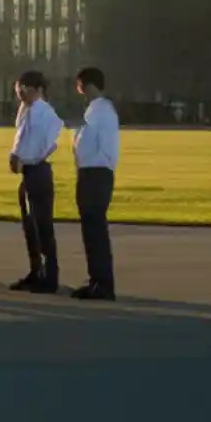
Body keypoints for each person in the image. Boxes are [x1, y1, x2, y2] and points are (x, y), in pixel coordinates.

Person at [8, 70, 63, 294]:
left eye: (25, 89)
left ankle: (49, 276)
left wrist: (19, 157)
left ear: (37, 89)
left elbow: (38, 144)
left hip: (37, 170)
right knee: (31, 227)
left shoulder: (42, 112)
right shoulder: (28, 110)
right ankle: (36, 270)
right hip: (29, 171)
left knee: (42, 226)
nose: (21, 94)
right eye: (18, 90)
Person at [71, 66, 120, 301]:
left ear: (87, 85)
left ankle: (103, 283)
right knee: (91, 231)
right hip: (90, 173)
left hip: (96, 174)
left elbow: (100, 147)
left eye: (79, 85)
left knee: (96, 231)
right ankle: (96, 280)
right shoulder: (94, 111)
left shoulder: (102, 112)